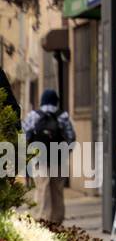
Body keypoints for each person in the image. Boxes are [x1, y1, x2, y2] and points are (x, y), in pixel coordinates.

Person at [22, 89, 76, 224]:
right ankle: (57, 220)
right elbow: (71, 137)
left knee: (42, 189)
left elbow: (24, 135)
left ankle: (42, 219)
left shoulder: (33, 115)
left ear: (42, 101)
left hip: (40, 159)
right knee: (57, 190)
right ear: (56, 101)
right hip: (58, 159)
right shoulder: (63, 116)